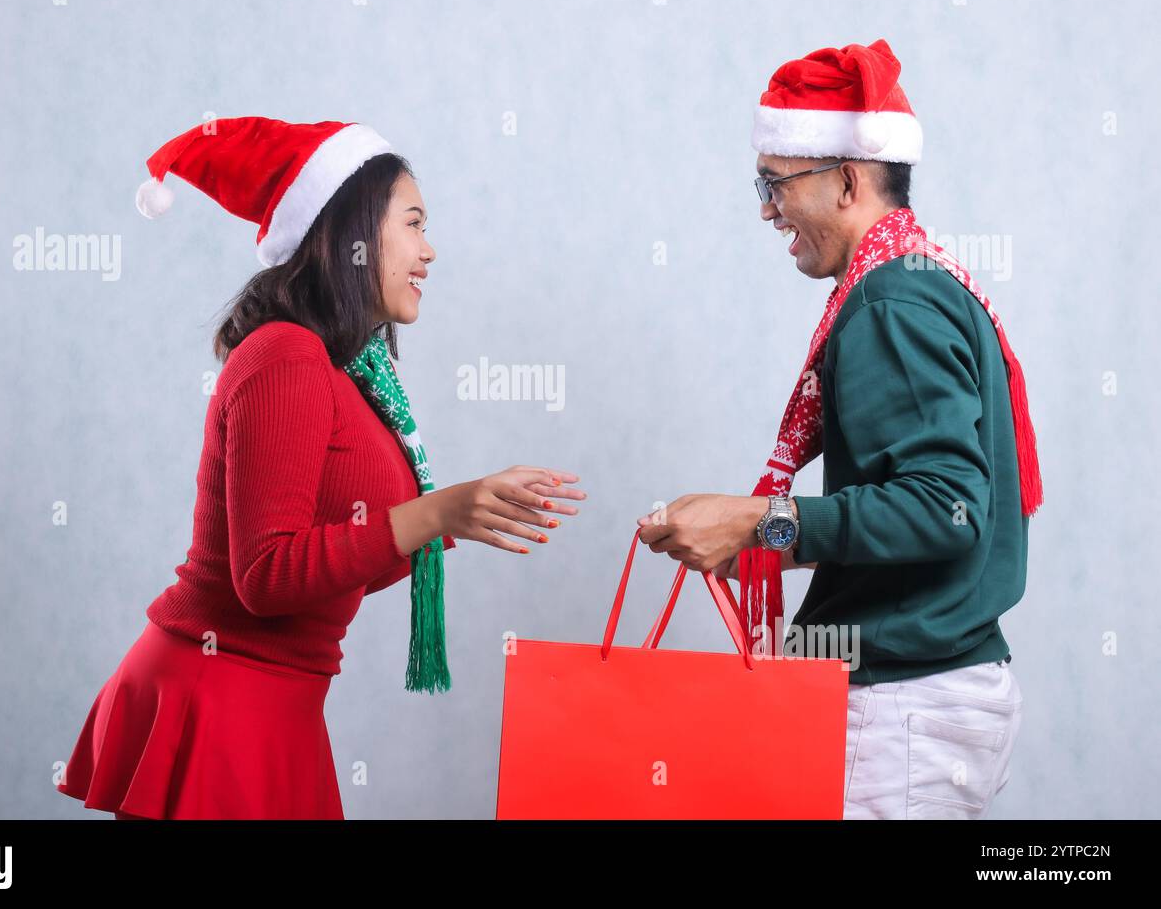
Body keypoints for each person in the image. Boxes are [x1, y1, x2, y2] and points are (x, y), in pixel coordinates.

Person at [56, 117, 585, 819]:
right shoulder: (287, 358)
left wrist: (462, 513)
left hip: (278, 708)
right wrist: (436, 511)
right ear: (349, 235)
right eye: (414, 224)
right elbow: (267, 576)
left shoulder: (345, 375)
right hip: (220, 705)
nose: (430, 251)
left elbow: (335, 565)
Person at [635, 40, 1042, 819]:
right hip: (930, 697)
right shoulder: (922, 279)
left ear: (848, 179)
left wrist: (759, 519)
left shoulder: (892, 302)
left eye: (774, 182)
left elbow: (944, 508)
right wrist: (746, 532)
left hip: (902, 710)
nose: (764, 208)